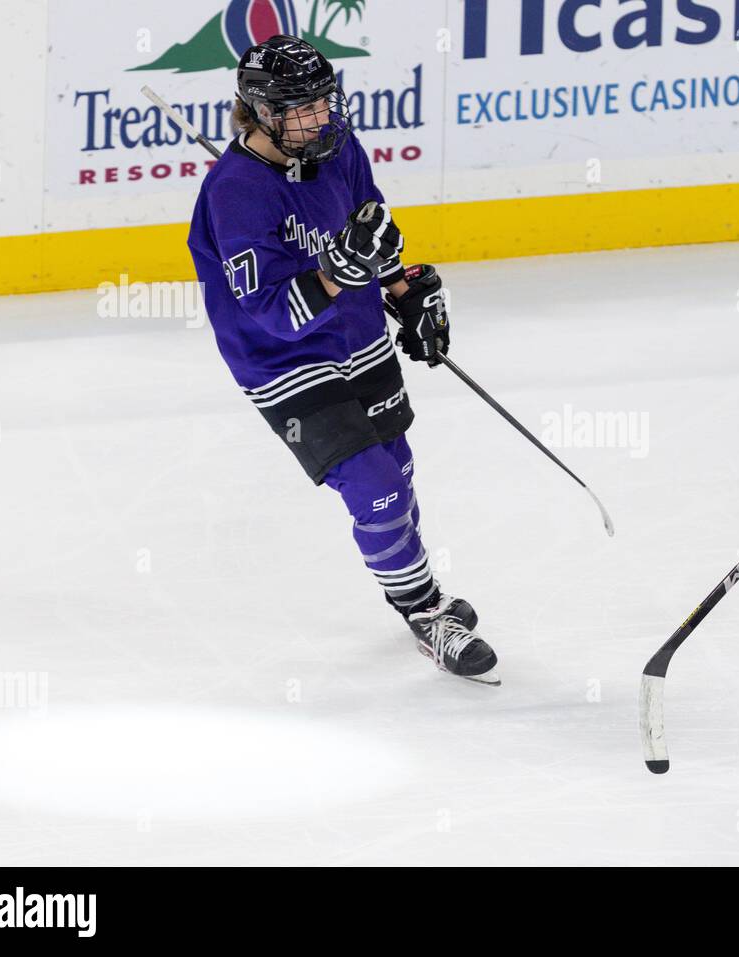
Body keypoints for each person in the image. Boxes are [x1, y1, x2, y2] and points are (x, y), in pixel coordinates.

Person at [187, 35, 499, 685]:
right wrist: (332, 275)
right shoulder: (234, 193)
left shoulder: (337, 148)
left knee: (398, 464)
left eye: (324, 100)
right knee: (374, 485)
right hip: (282, 359)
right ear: (263, 113)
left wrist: (404, 292)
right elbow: (271, 312)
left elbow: (373, 229)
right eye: (302, 108)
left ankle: (415, 590)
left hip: (357, 332)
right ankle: (426, 612)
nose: (322, 115)